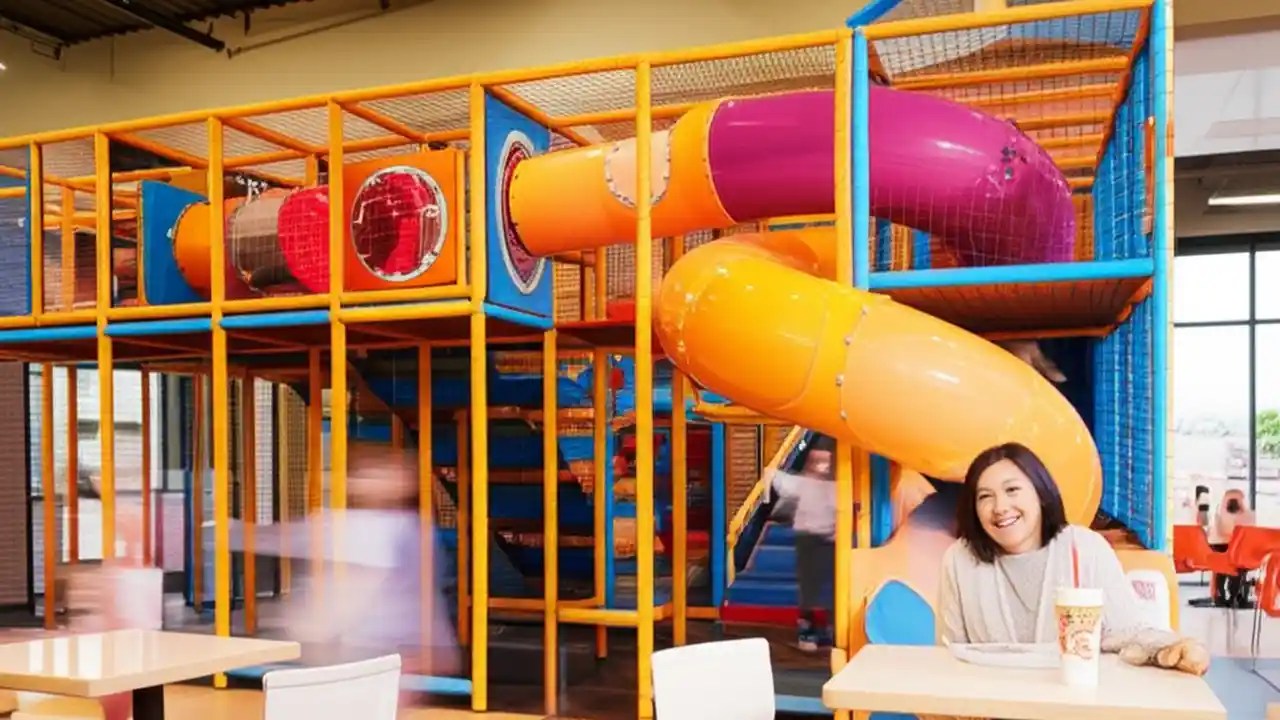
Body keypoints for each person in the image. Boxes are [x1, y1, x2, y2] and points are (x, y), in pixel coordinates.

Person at [937, 442, 1209, 676]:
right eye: (985, 497)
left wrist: (1171, 648)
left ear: (1040, 494)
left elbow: (1127, 632)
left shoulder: (1085, 548)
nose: (1000, 508)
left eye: (1012, 490)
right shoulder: (960, 560)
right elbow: (949, 652)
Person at [784, 432, 837, 652]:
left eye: (823, 462)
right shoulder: (808, 484)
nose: (820, 467)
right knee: (811, 586)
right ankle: (810, 628)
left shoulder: (833, 486)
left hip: (827, 538)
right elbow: (785, 484)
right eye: (816, 462)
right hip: (810, 538)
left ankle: (824, 629)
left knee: (828, 586)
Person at [1208, 488, 1255, 607]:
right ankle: (1236, 596)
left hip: (1224, 550)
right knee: (1237, 568)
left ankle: (1223, 596)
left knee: (1223, 567)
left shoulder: (1219, 516)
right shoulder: (1247, 516)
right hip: (1237, 553)